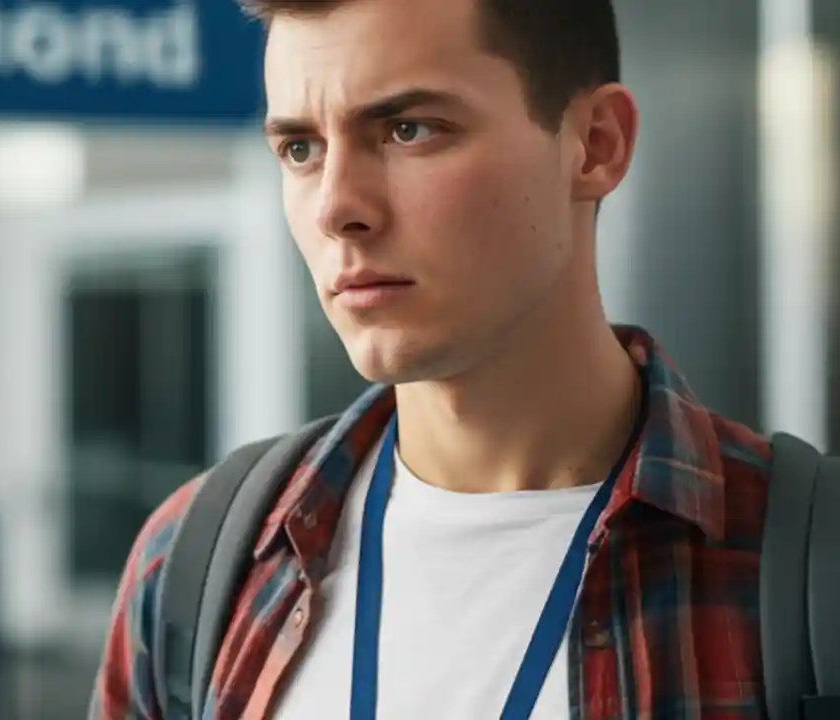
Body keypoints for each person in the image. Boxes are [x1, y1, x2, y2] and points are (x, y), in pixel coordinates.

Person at [91, 0, 773, 717]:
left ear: (596, 144)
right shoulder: (197, 568)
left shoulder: (810, 577)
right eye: (300, 149)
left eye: (408, 130)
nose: (335, 208)